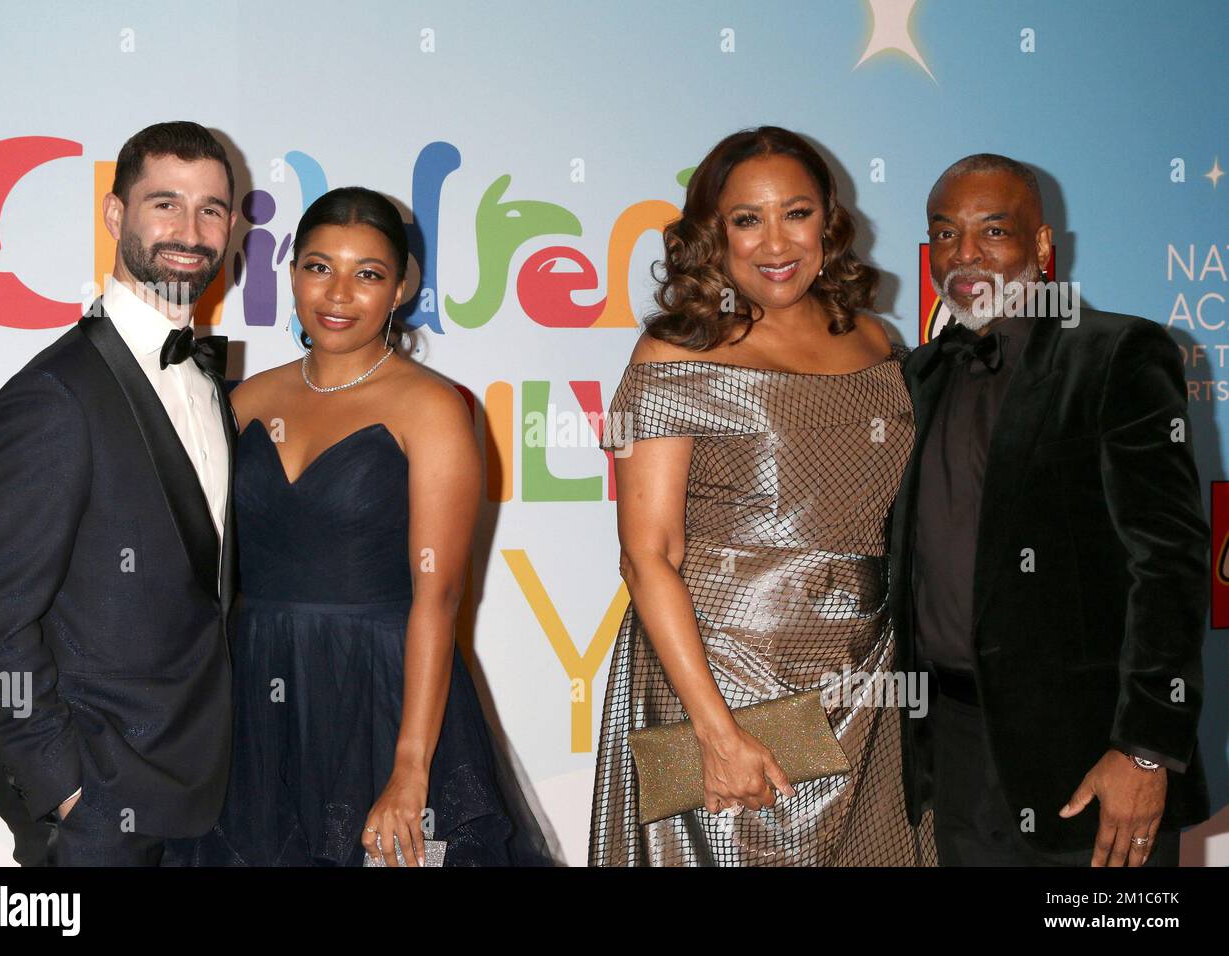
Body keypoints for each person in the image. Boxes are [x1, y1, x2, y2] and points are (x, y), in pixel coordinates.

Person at [588, 126, 936, 866]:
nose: (776, 243)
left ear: (830, 221)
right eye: (747, 219)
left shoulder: (878, 343)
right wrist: (716, 734)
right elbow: (647, 557)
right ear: (713, 234)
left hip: (868, 680)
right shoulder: (676, 350)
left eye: (797, 213)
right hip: (722, 680)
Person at [184, 187, 552, 867]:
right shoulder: (242, 399)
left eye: (368, 274)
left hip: (381, 696)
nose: (338, 293)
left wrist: (410, 768)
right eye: (319, 267)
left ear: (400, 290)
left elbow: (437, 600)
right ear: (292, 274)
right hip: (254, 698)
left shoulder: (431, 408)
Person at [890, 153, 1210, 866]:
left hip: (1091, 759)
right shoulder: (919, 374)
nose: (964, 254)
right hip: (956, 750)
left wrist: (1147, 752)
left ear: (1040, 246)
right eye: (945, 234)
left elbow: (1171, 563)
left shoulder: (1115, 354)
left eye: (992, 231)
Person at [0, 121, 239, 865]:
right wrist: (61, 781)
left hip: (210, 788)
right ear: (116, 216)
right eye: (165, 204)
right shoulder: (55, 395)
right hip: (98, 801)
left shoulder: (214, 381)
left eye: (211, 208)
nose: (190, 230)